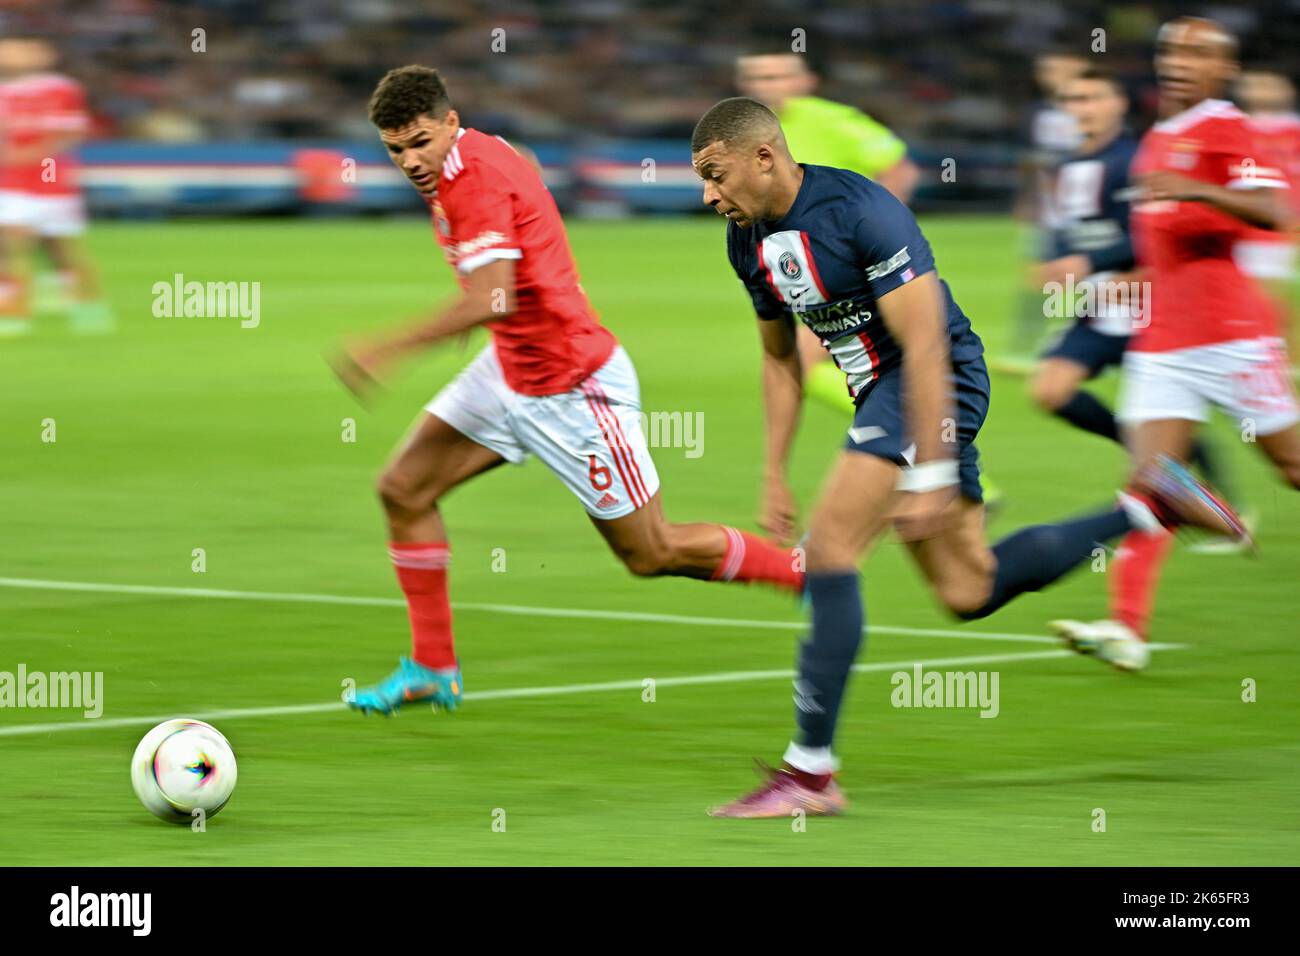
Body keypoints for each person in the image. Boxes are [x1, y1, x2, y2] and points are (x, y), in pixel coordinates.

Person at [688, 96, 1246, 817]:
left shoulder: (865, 212)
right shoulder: (746, 238)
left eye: (715, 173)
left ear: (763, 156)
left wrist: (935, 471)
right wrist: (772, 469)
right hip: (880, 397)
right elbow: (779, 360)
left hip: (933, 380)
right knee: (968, 590)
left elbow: (923, 346)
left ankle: (810, 776)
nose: (707, 194)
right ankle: (1149, 504)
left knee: (829, 554)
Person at [332, 67, 804, 716]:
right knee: (403, 489)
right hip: (511, 369)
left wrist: (388, 346)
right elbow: (519, 193)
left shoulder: (472, 180)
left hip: (573, 385)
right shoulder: (479, 155)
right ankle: (432, 667)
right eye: (395, 149)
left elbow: (493, 296)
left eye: (419, 142)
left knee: (652, 552)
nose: (410, 161)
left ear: (449, 122)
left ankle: (806, 575)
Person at [1052, 19, 1299, 671]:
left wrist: (1197, 187)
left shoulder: (1229, 128)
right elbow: (1161, 241)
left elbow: (1274, 211)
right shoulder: (1159, 135)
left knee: (1292, 468)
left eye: (1198, 54)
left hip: (1231, 335)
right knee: (1151, 478)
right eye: (1171, 51)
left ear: (1225, 71)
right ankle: (1127, 627)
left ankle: (1221, 521)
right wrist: (1127, 280)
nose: (1179, 62)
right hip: (1163, 337)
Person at [1028, 66, 1240, 525]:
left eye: (1092, 97)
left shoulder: (1136, 159)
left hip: (1147, 304)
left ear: (1118, 104)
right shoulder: (1065, 166)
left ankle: (1213, 495)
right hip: (1099, 306)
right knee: (1049, 390)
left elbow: (1152, 232)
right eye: (1073, 99)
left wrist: (1092, 265)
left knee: (1170, 410)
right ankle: (1167, 467)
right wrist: (1057, 263)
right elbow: (1071, 233)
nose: (1081, 108)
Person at [735, 49, 919, 414]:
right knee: (844, 364)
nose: (766, 86)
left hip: (856, 262)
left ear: (805, 82)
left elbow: (899, 169)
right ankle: (912, 439)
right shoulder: (750, 130)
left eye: (777, 77)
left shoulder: (833, 120)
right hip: (808, 267)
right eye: (757, 78)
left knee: (800, 362)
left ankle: (906, 433)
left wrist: (878, 235)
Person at [0, 37, 112, 336]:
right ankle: (10, 315)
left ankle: (89, 310)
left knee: (60, 249)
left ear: (43, 55)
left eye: (19, 47)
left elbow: (67, 136)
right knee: (8, 244)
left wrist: (20, 156)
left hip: (50, 179)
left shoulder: (59, 89)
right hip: (9, 180)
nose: (9, 52)